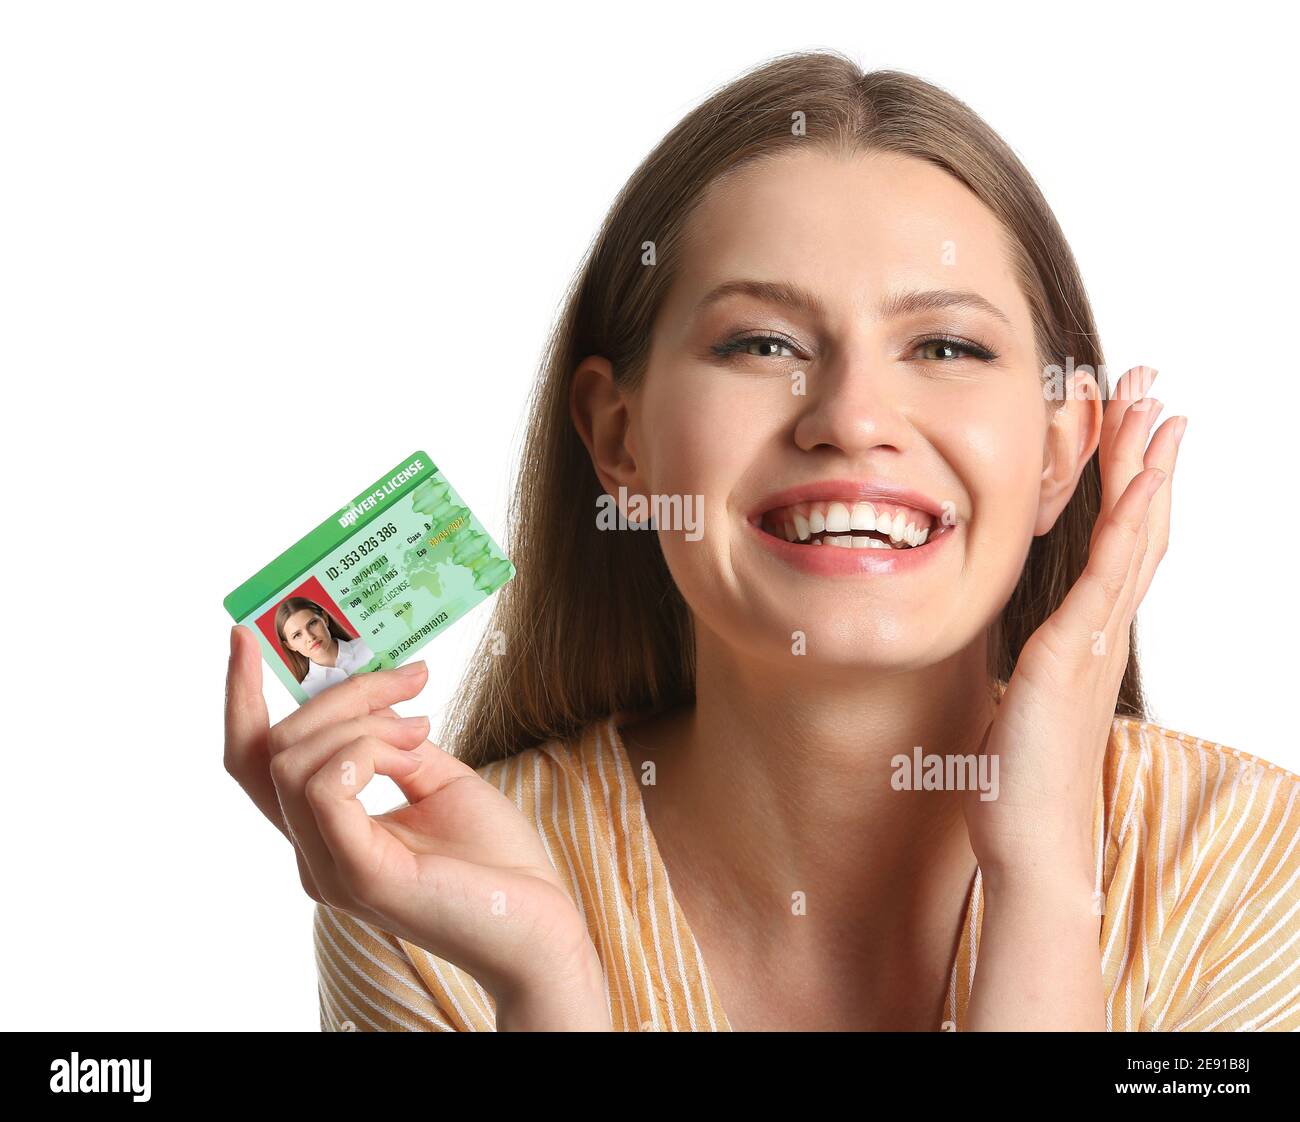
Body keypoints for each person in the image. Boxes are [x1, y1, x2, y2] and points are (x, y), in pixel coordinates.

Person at [225, 52, 1300, 1032]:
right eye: (762, 342)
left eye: (944, 343)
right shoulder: (434, 894)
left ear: (1062, 452)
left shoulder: (1247, 864)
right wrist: (542, 981)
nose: (850, 415)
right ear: (619, 438)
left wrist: (1045, 879)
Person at [274, 596, 375, 699]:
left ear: (325, 619)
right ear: (289, 645)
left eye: (312, 623)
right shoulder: (307, 693)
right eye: (297, 635)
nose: (310, 637)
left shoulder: (370, 645)